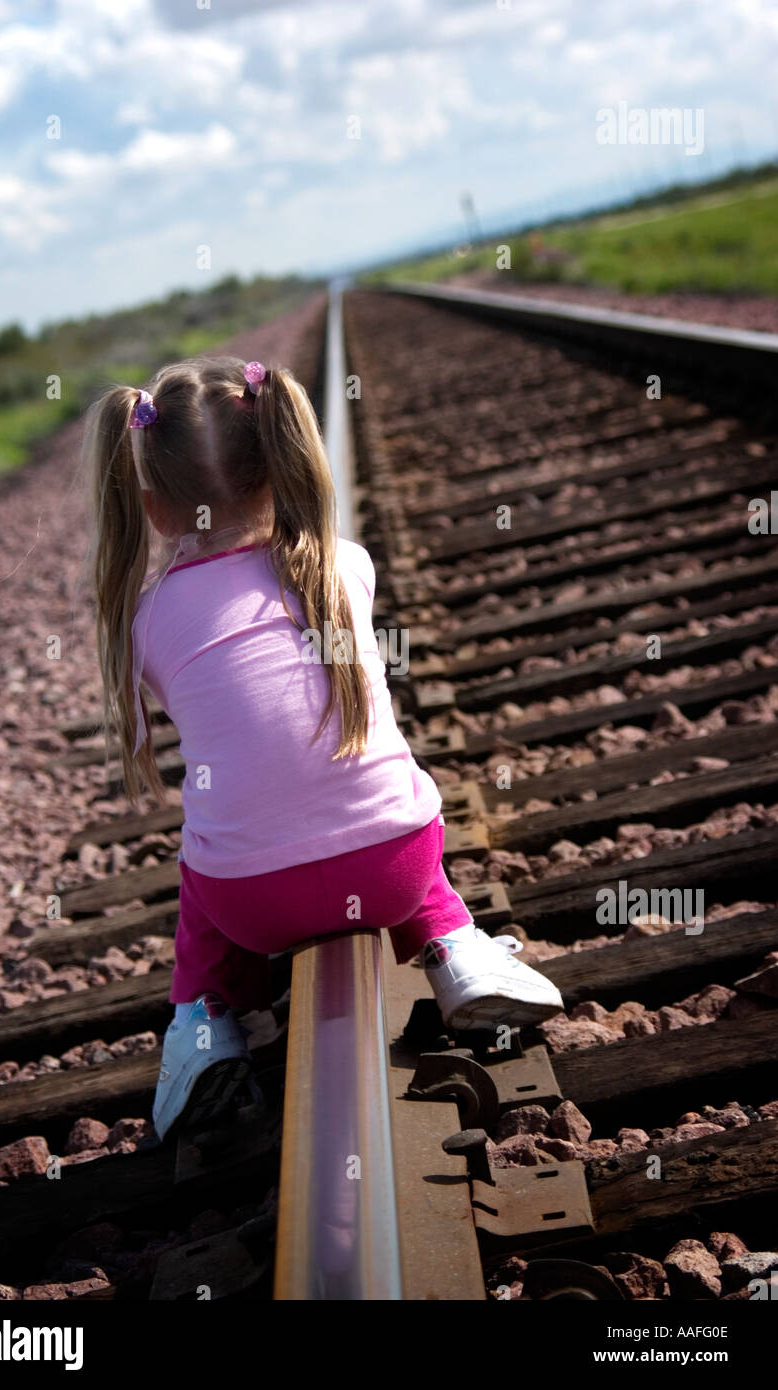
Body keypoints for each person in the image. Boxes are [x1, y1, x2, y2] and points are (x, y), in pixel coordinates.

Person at [83, 354, 563, 1141]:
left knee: (206, 848)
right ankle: (455, 948)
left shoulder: (148, 622)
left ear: (154, 510)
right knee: (389, 783)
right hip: (395, 873)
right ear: (282, 459)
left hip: (253, 908)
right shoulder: (346, 567)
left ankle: (203, 1024)